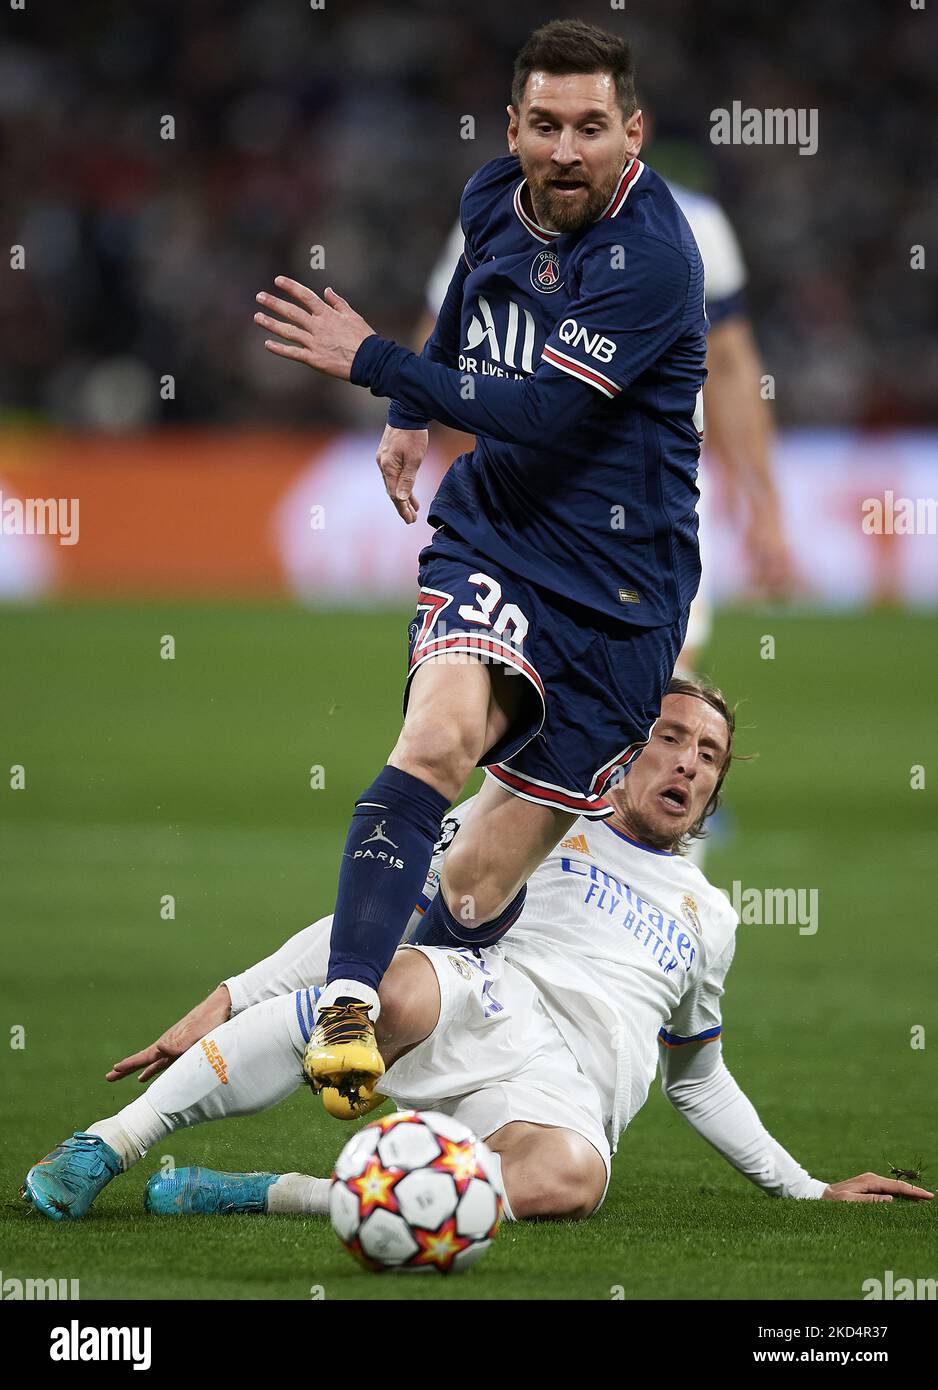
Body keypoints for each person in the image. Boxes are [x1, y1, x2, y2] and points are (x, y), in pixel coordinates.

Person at [249, 19, 710, 1117]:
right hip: (496, 533)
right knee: (439, 737)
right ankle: (343, 1004)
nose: (563, 150)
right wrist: (411, 406)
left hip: (621, 594)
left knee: (474, 886)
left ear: (629, 132)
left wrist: (372, 362)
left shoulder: (650, 257)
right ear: (512, 129)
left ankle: (426, 1087)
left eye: (589, 128)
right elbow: (469, 304)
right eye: (543, 126)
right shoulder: (487, 195)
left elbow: (545, 412)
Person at [23, 682, 930, 1225]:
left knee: (573, 1186)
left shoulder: (710, 916)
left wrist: (806, 1190)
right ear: (628, 747)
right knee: (383, 990)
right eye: (670, 738)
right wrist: (225, 998)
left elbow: (696, 1078)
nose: (688, 765)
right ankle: (111, 1143)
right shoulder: (536, 816)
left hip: (565, 1091)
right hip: (479, 996)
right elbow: (365, 924)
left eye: (709, 755)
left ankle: (275, 1193)